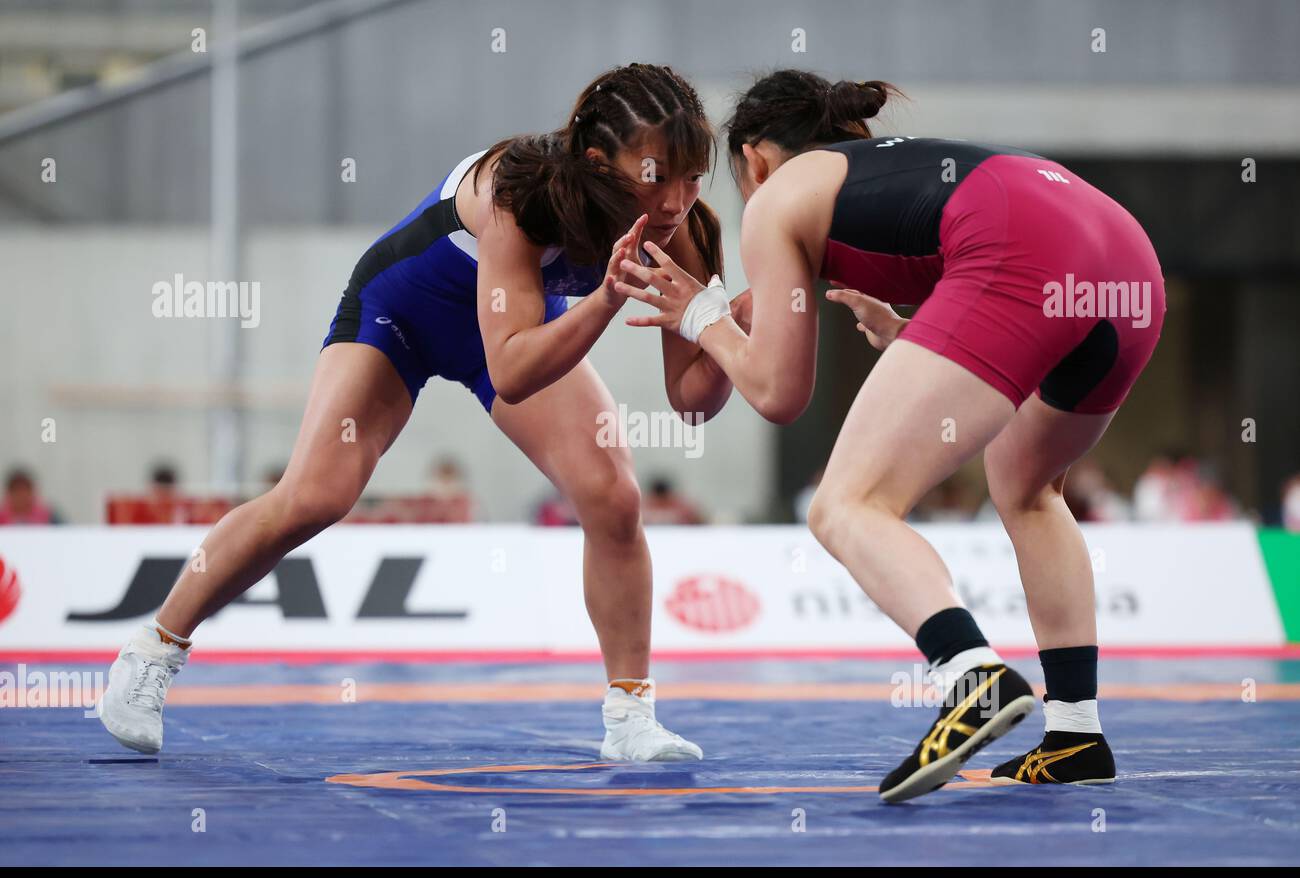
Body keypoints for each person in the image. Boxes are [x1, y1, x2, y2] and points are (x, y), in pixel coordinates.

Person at [98, 64, 740, 763]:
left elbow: (694, 403)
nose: (677, 199)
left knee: (613, 495)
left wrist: (729, 322)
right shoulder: (518, 188)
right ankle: (152, 649)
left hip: (517, 328)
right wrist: (606, 299)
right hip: (402, 313)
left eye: (694, 176)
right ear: (598, 162)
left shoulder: (686, 231)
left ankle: (631, 717)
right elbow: (513, 372)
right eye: (657, 176)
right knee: (315, 496)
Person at [617, 70, 1165, 801]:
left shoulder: (778, 195)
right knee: (1027, 486)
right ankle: (1075, 733)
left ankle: (970, 676)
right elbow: (1011, 292)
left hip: (1029, 254)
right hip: (1126, 263)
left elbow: (779, 394)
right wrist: (911, 335)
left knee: (845, 504)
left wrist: (700, 319)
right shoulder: (891, 167)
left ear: (754, 160)